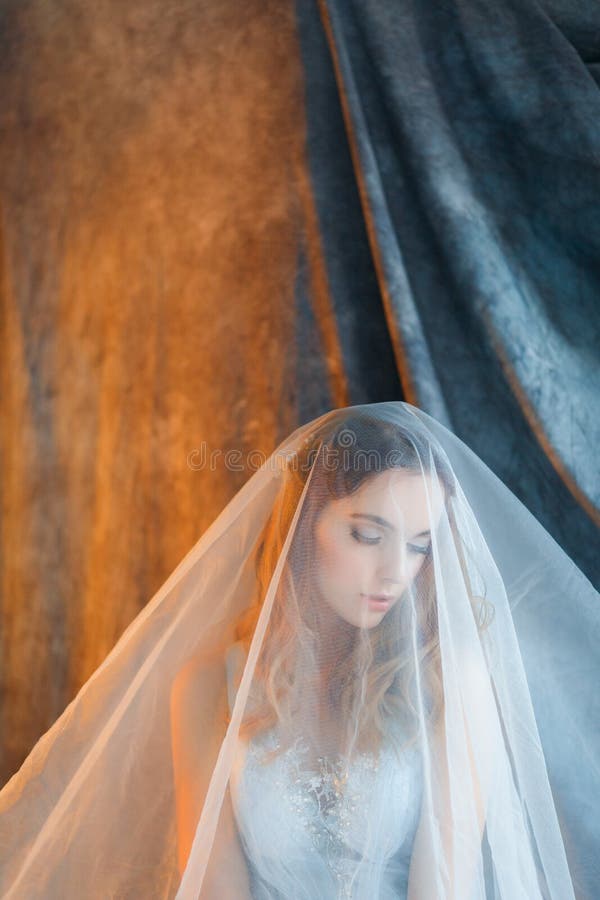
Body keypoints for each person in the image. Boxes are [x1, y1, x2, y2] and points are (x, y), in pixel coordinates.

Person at [0, 401, 597, 899]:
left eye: (419, 547)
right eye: (368, 535)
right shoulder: (209, 686)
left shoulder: (446, 678)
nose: (395, 573)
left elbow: (443, 887)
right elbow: (213, 888)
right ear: (302, 527)